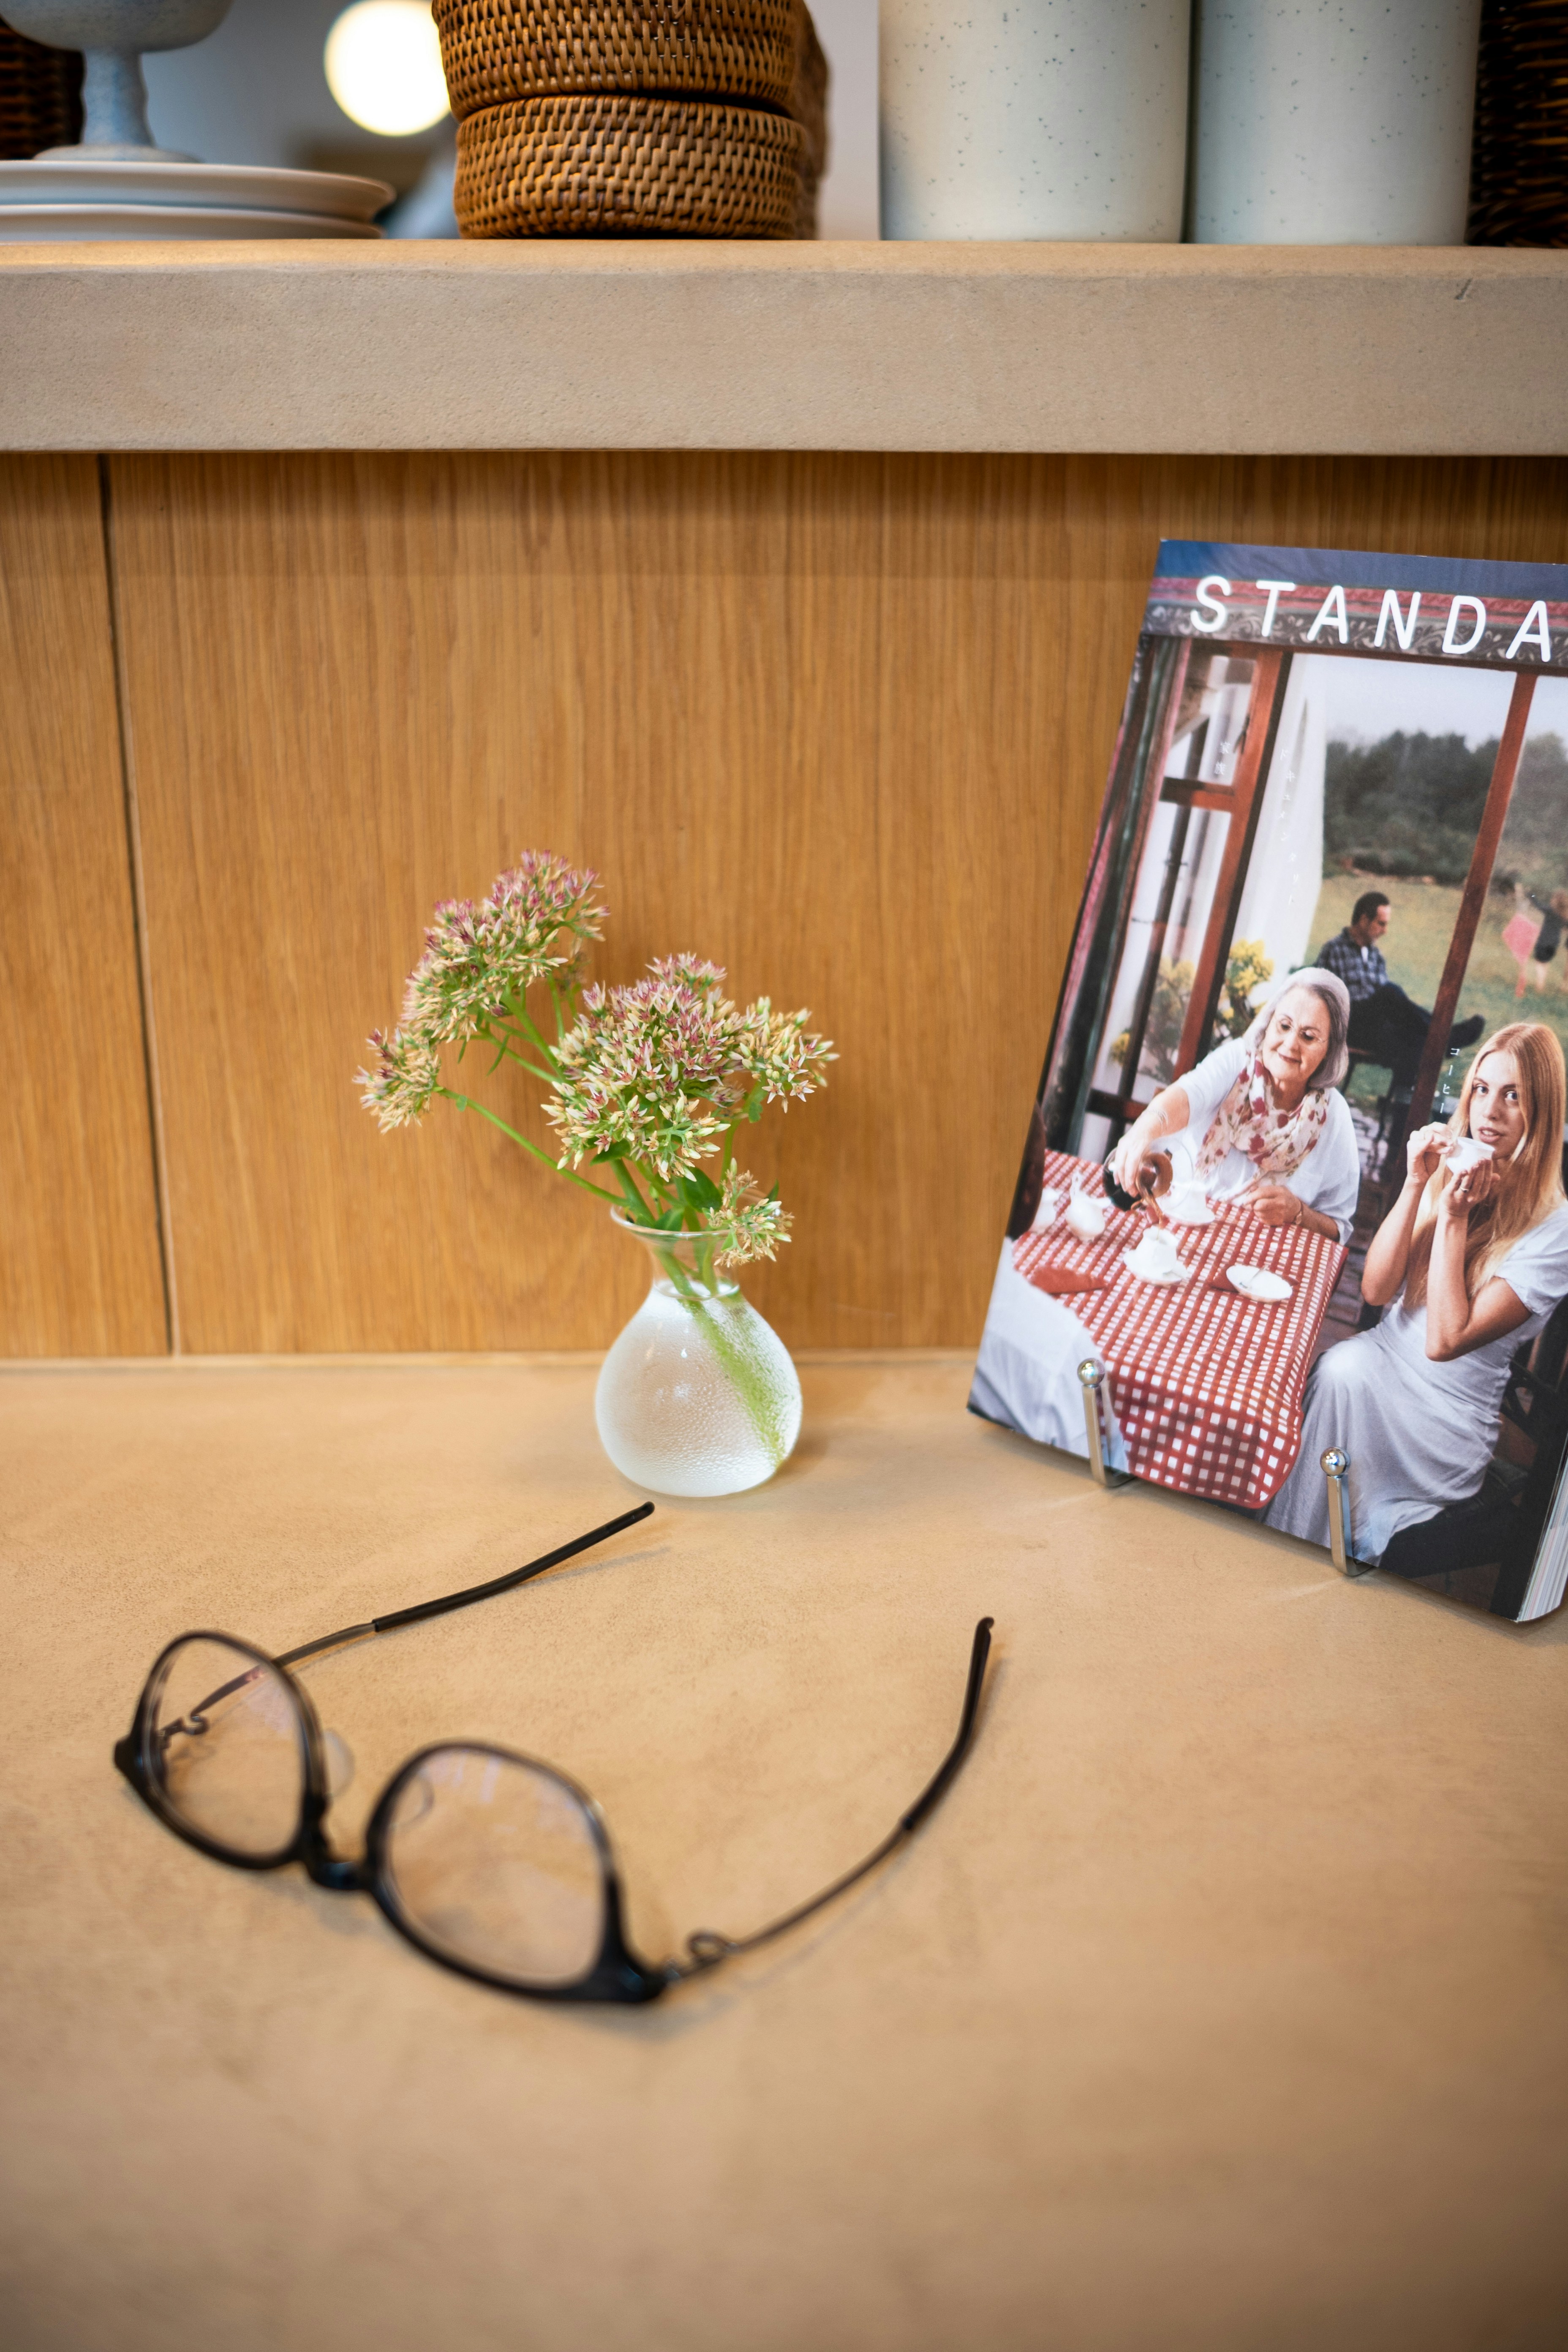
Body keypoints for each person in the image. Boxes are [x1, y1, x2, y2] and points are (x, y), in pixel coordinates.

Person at [1264, 1023, 1568, 1565]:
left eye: (1513, 1096)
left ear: (1541, 1114)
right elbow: (1378, 1289)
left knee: (1341, 1376)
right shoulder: (1454, 1164)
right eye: (1481, 1088)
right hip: (1381, 1361)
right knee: (1336, 1369)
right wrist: (1414, 1184)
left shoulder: (1555, 1228)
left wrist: (1454, 1215)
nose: (1490, 1111)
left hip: (1442, 1422)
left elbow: (1446, 1341)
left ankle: (1292, 1551)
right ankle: (1293, 1548)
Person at [1106, 970, 1361, 1245]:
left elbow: (1339, 1228)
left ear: (1330, 1051)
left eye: (1308, 1037)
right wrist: (1144, 1129)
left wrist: (1299, 1213)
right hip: (1176, 1233)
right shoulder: (1238, 1060)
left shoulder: (1333, 1116)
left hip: (1261, 1261)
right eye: (1284, 1026)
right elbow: (1187, 1095)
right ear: (1268, 1022)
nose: (1290, 1045)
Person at [1318, 891, 1483, 1092]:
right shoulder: (1334, 950)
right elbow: (1325, 999)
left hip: (1376, 1028)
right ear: (1363, 920)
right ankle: (1444, 1035)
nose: (1385, 931)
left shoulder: (1375, 956)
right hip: (1349, 1024)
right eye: (1381, 924)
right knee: (1390, 993)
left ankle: (1401, 1115)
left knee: (1415, 1044)